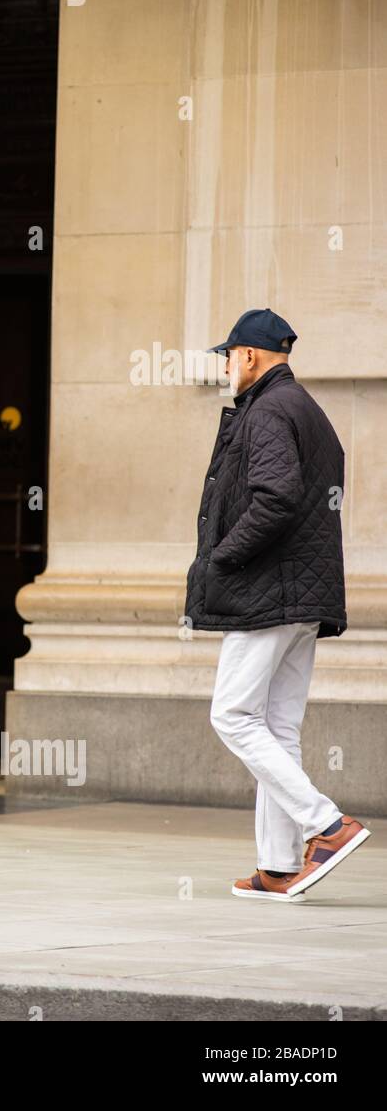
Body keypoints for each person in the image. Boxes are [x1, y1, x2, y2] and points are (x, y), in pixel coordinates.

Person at [185, 308, 369, 900]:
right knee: (278, 728)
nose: (226, 367)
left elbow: (276, 500)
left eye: (228, 356)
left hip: (267, 593)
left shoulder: (266, 411)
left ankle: (326, 825)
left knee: (232, 716)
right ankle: (282, 864)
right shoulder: (307, 410)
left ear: (249, 356)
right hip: (303, 596)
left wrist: (223, 558)